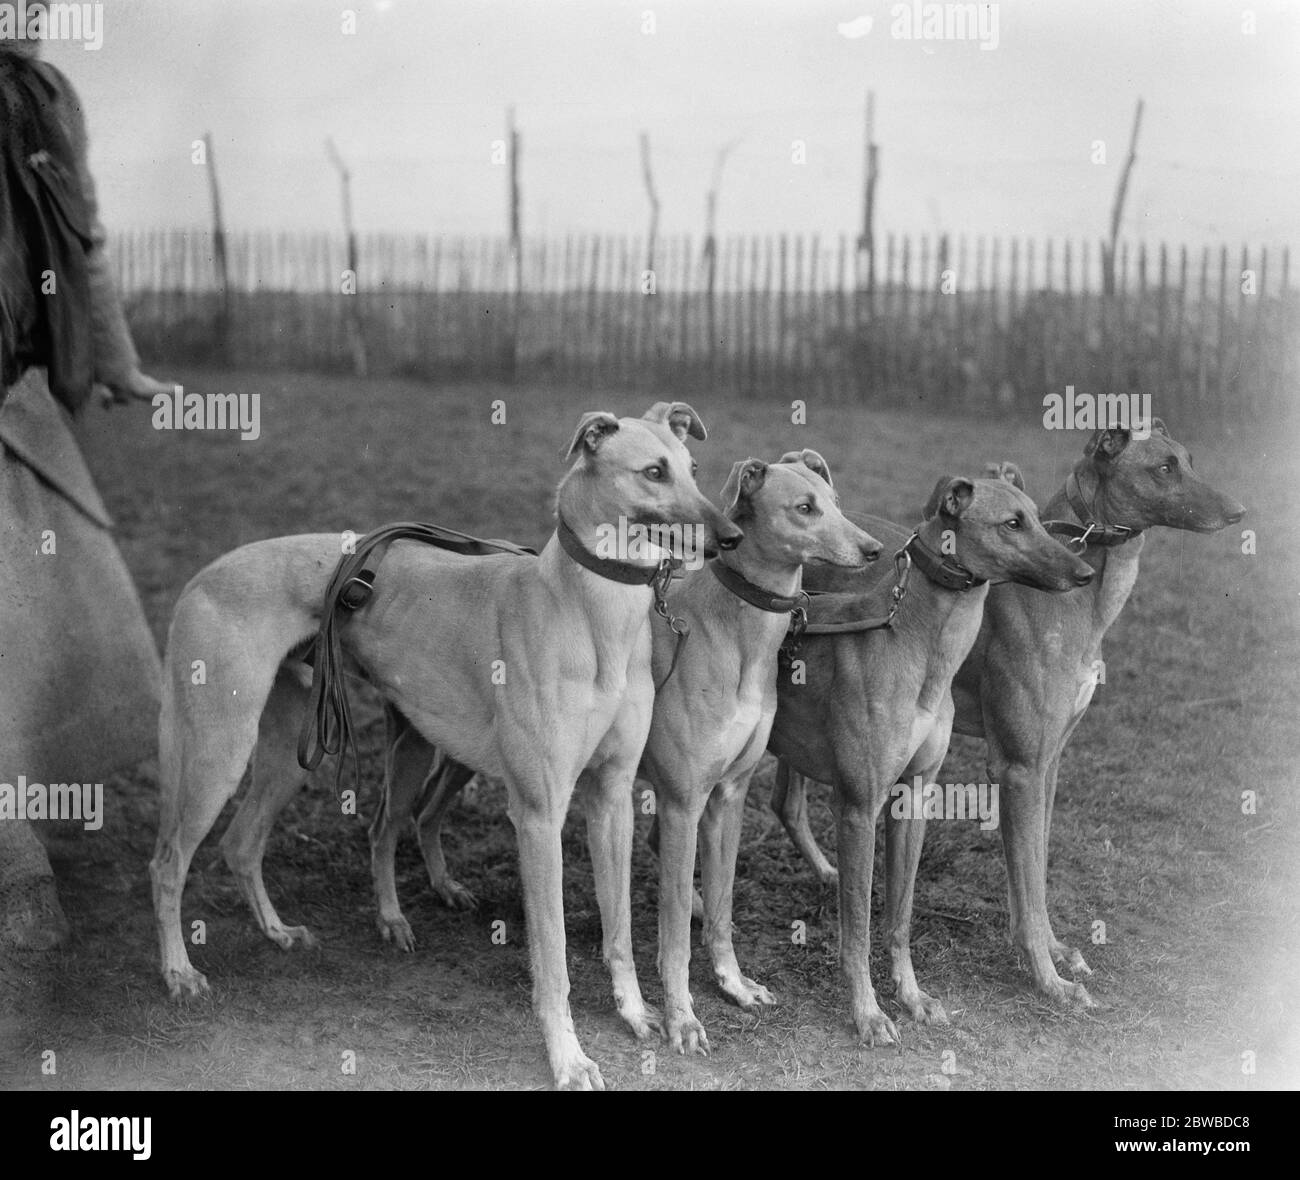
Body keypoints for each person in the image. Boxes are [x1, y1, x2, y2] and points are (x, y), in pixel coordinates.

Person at [1, 17, 173, 951]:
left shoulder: (48, 96)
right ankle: (12, 859)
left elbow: (84, 241)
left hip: (21, 391)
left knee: (67, 608)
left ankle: (34, 806)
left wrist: (116, 361)